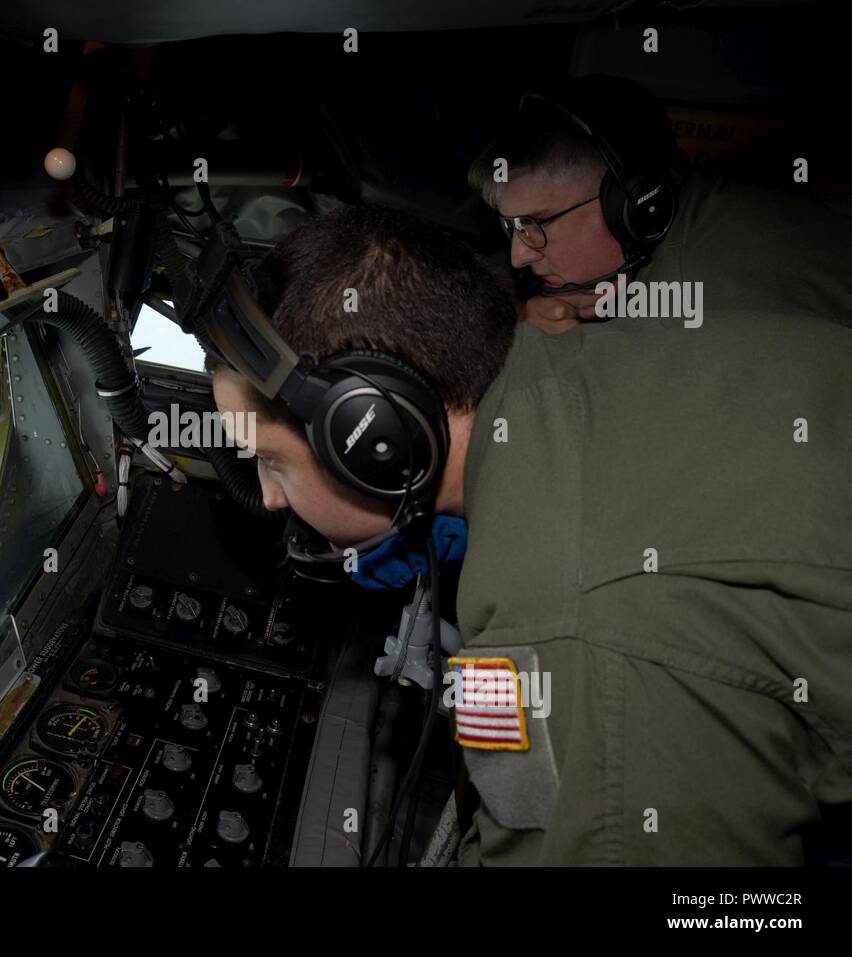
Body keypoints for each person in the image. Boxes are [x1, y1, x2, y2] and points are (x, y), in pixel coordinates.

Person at [207, 202, 852, 865]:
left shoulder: (561, 628)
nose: (269, 495)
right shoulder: (595, 350)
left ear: (371, 437)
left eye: (271, 459)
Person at [467, 75, 852, 334]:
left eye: (537, 223)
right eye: (512, 226)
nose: (519, 255)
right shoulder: (686, 224)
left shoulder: (749, 284)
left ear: (637, 206)